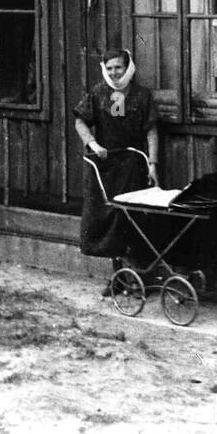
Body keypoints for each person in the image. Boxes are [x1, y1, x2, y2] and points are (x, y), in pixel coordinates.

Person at [73, 49, 160, 271]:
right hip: (106, 167)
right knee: (108, 217)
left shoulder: (141, 95)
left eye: (118, 68)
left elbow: (151, 130)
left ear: (128, 67)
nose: (113, 73)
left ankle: (137, 275)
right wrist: (93, 144)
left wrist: (153, 164)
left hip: (133, 165)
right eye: (109, 68)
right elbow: (80, 122)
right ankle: (118, 276)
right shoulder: (98, 93)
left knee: (132, 218)